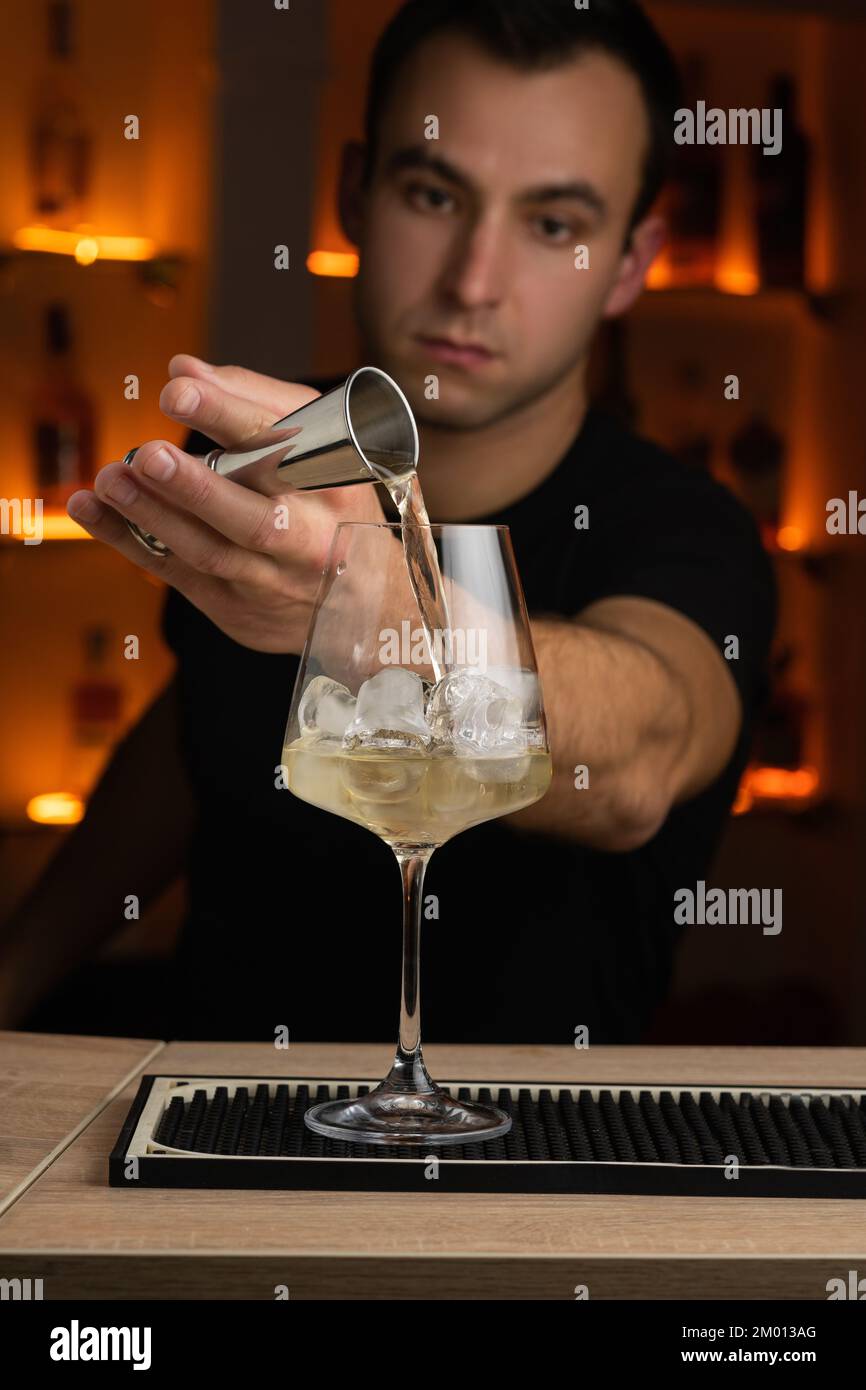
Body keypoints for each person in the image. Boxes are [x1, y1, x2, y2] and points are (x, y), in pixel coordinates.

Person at [0, 0, 775, 1044]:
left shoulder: (691, 532)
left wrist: (361, 601)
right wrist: (14, 978)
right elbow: (198, 740)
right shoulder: (272, 465)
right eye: (431, 193)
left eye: (553, 224)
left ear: (630, 263)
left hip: (533, 1165)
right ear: (355, 195)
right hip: (215, 1118)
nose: (472, 284)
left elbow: (636, 759)